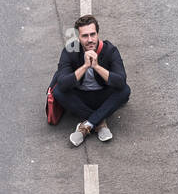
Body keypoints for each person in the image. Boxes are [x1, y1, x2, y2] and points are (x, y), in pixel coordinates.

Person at [52, 15, 130, 146]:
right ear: (78, 37)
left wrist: (97, 67)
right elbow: (63, 84)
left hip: (103, 95)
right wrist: (85, 66)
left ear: (98, 33)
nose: (90, 40)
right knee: (58, 91)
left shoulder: (110, 51)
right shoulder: (70, 51)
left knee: (125, 91)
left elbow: (121, 81)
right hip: (81, 96)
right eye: (85, 36)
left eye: (93, 34)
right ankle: (99, 122)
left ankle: (86, 126)